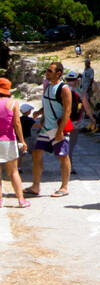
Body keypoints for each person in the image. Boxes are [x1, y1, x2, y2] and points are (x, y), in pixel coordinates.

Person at [26, 61, 72, 198]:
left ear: (58, 73)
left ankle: (64, 187)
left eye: (49, 71)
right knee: (36, 153)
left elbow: (67, 111)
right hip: (47, 127)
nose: (46, 73)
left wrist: (60, 131)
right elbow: (48, 102)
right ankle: (35, 186)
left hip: (58, 128)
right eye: (47, 70)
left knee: (63, 156)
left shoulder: (64, 89)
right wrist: (40, 112)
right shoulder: (48, 86)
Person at [0, 78, 29, 208]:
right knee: (13, 172)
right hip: (9, 141)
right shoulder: (13, 103)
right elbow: (17, 124)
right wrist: (22, 141)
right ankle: (21, 199)